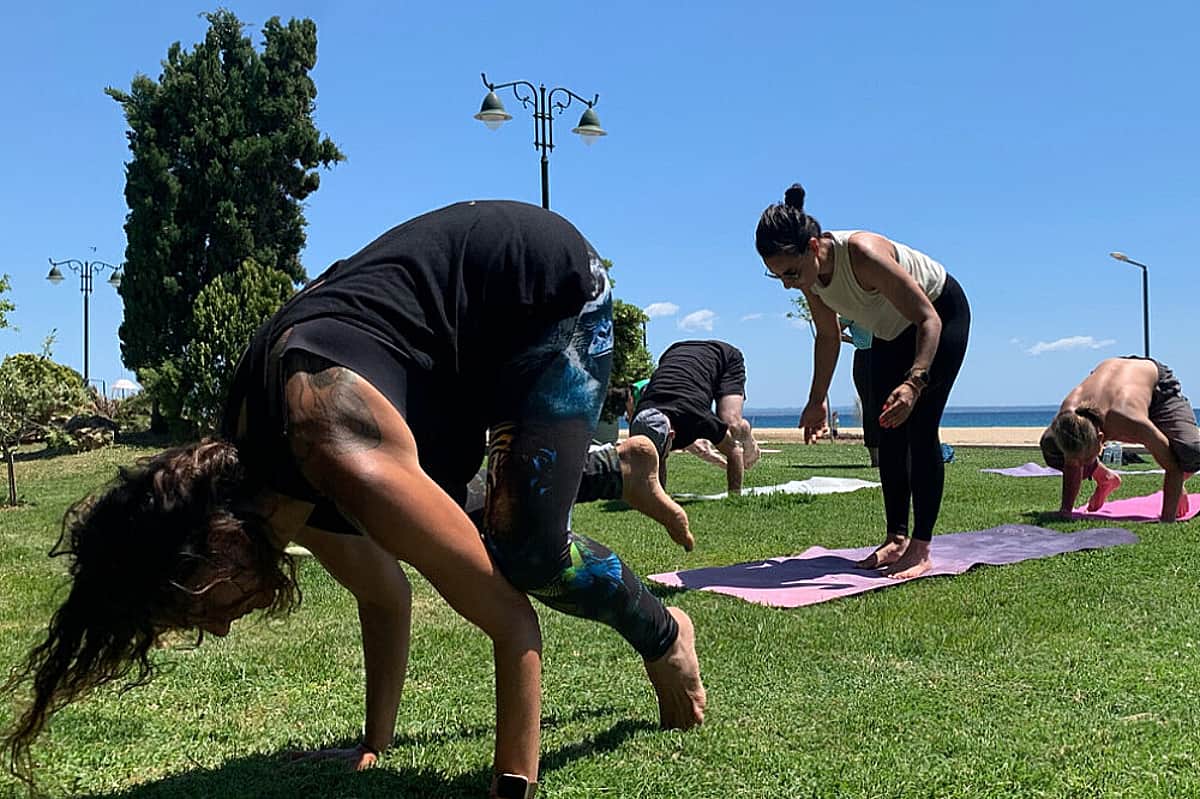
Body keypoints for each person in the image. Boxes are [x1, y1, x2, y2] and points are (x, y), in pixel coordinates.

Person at [1, 201, 705, 798]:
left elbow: (512, 622)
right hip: (448, 354)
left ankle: (666, 634)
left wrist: (511, 785)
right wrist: (374, 741)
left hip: (542, 290)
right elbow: (384, 596)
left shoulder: (331, 447)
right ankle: (617, 471)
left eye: (198, 604)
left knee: (525, 552)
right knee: (456, 517)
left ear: (213, 539)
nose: (216, 629)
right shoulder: (271, 486)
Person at [756, 183, 970, 579]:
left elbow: (929, 319)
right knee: (887, 429)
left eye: (791, 273)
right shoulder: (810, 278)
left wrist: (914, 383)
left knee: (921, 428)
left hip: (940, 316)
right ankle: (896, 539)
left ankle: (921, 548)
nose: (788, 283)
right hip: (891, 332)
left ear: (813, 247)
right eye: (777, 276)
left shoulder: (862, 253)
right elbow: (827, 335)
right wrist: (817, 400)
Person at [1040, 356, 1200, 522]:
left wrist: (1168, 515)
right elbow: (1071, 456)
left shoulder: (1128, 420)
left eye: (1085, 460)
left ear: (1101, 439)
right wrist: (1065, 511)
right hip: (1113, 376)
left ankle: (1179, 482)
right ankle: (1105, 478)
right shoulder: (1066, 417)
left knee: (1191, 452)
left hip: (1158, 388)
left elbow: (1172, 466)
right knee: (1051, 447)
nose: (1078, 466)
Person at [618, 340, 761, 499]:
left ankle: (747, 436)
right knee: (659, 450)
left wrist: (734, 499)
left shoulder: (698, 418)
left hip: (723, 356)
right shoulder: (639, 417)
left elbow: (733, 452)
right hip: (674, 353)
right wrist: (658, 500)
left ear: (672, 434)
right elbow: (654, 460)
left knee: (732, 425)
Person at [841, 317, 880, 466]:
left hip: (889, 354)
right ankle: (876, 458)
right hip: (865, 356)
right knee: (870, 408)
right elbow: (833, 330)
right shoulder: (852, 310)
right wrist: (855, 341)